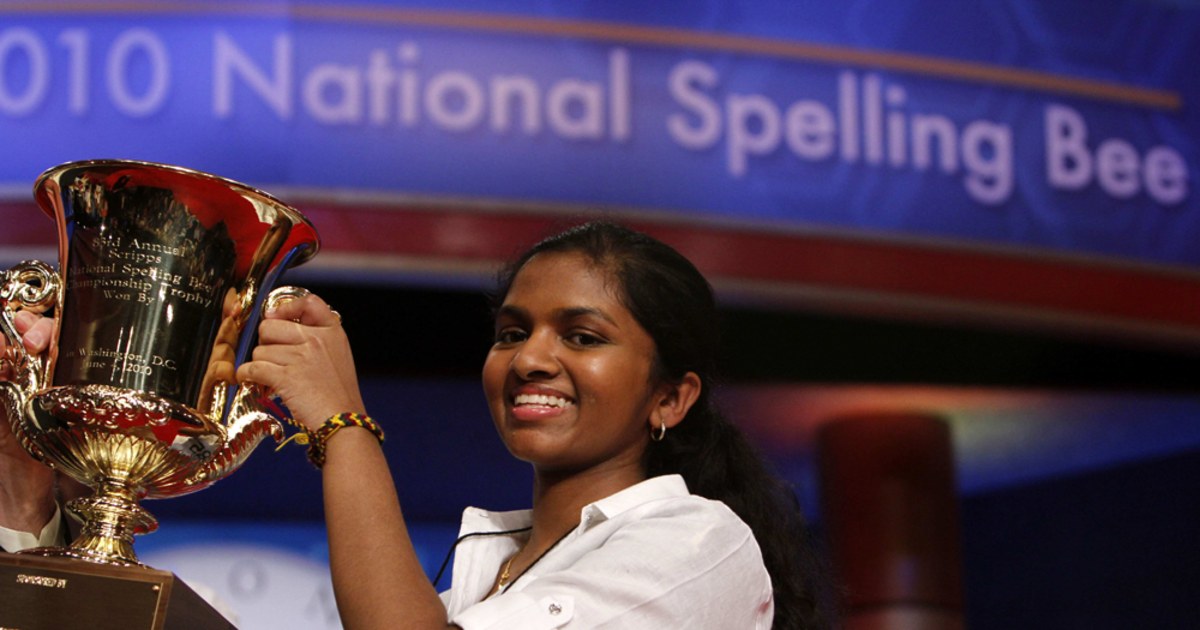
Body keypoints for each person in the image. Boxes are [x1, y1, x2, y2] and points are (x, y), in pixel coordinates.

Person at [3, 220, 830, 628]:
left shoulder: (696, 543)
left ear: (671, 399)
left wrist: (341, 422)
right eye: (512, 333)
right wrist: (34, 492)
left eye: (582, 336)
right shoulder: (489, 562)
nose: (531, 359)